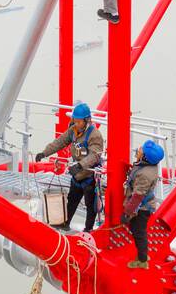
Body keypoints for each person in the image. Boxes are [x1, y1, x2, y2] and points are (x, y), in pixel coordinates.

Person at [35, 102, 104, 232]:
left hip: (89, 175)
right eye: (75, 121)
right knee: (72, 200)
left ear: (87, 120)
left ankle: (88, 229)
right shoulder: (73, 131)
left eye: (79, 121)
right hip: (77, 174)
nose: (76, 124)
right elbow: (60, 142)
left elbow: (94, 155)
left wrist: (80, 165)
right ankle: (65, 223)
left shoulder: (95, 135)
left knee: (90, 205)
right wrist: (44, 153)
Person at [121, 139, 164, 269]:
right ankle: (143, 254)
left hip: (142, 208)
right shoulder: (147, 165)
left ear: (145, 157)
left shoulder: (145, 174)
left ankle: (142, 260)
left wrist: (127, 213)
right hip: (142, 206)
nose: (138, 149)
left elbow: (137, 197)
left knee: (139, 232)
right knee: (137, 231)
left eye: (141, 150)